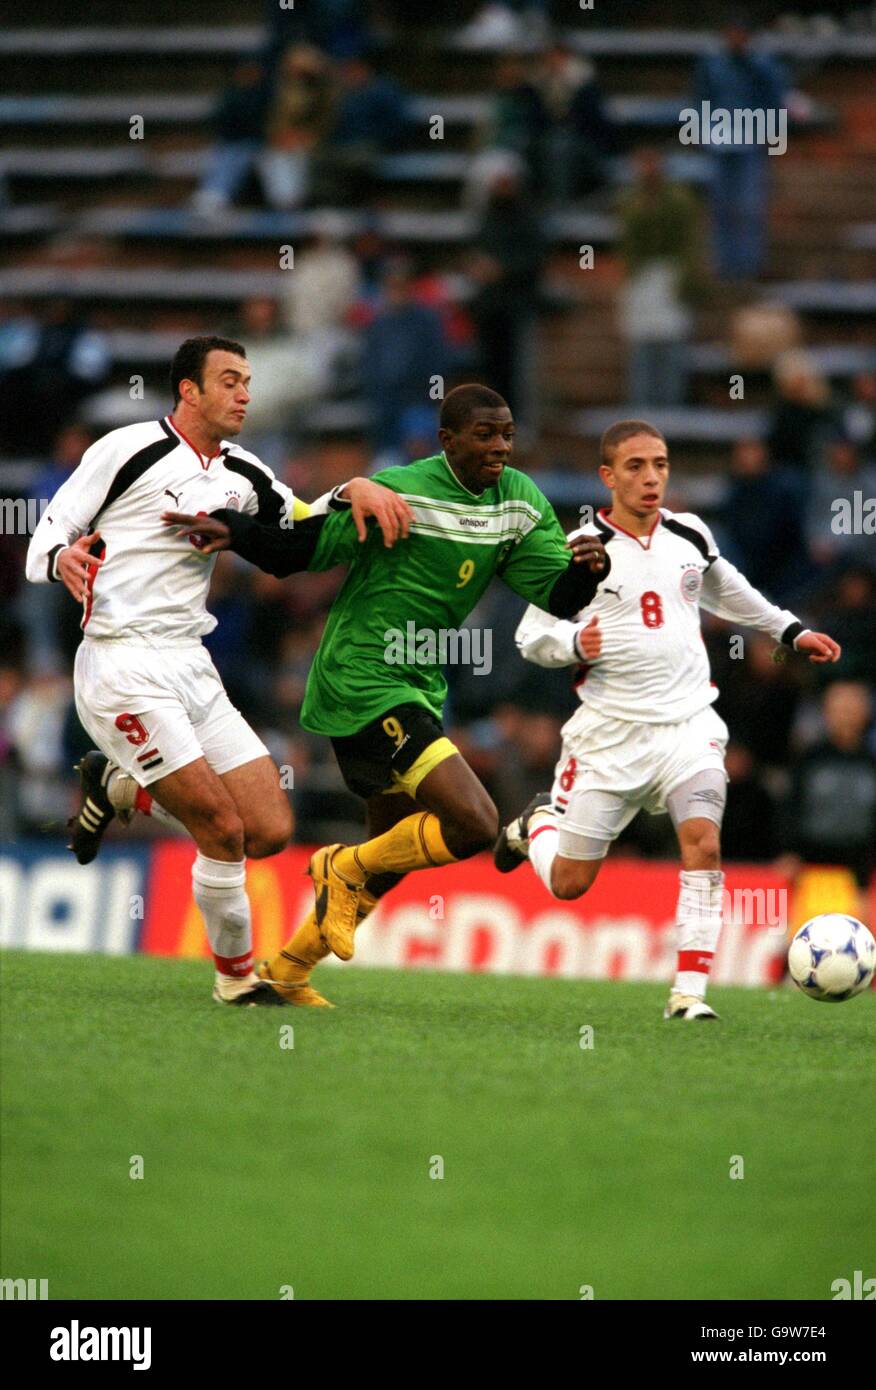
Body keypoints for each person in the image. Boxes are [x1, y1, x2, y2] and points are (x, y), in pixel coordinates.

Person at [167, 384, 612, 1006]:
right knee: (475, 823)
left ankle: (292, 967)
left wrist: (588, 573)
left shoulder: (520, 502)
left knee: (389, 858)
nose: (500, 447)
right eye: (484, 434)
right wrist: (237, 530)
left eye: (507, 433)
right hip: (361, 678)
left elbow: (558, 596)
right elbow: (302, 550)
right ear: (447, 440)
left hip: (420, 686)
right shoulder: (400, 490)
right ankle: (340, 866)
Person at [25, 335, 411, 1008]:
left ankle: (120, 786)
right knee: (222, 832)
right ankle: (236, 979)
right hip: (123, 663)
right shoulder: (126, 449)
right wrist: (63, 557)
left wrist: (356, 488)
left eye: (247, 381)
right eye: (229, 381)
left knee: (269, 830)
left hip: (192, 666)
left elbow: (298, 520)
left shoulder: (243, 471)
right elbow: (50, 525)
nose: (244, 394)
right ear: (189, 391)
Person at [493, 419, 841, 1021]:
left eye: (660, 464)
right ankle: (535, 828)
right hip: (608, 736)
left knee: (703, 845)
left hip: (688, 726)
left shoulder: (689, 533)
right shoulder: (576, 551)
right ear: (607, 476)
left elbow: (726, 586)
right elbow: (531, 637)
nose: (651, 477)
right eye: (635, 466)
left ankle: (689, 995)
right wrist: (576, 642)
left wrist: (790, 628)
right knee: (572, 883)